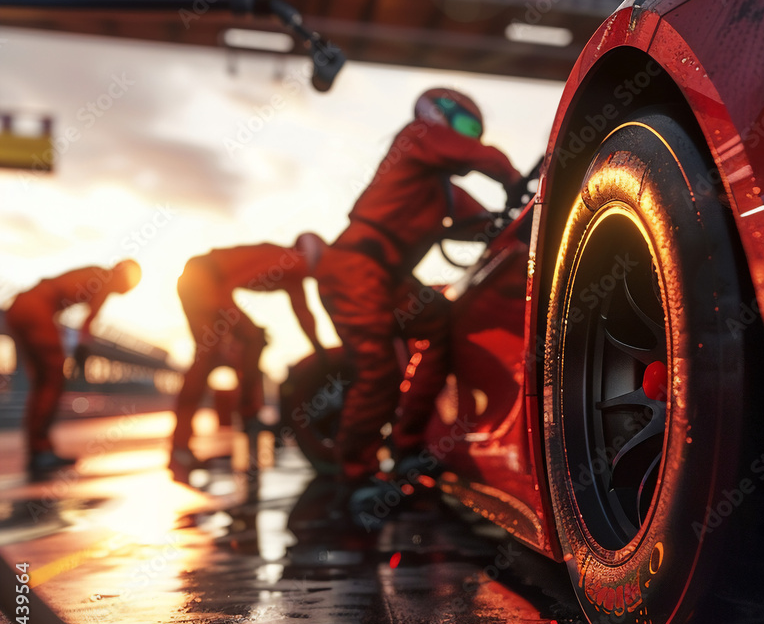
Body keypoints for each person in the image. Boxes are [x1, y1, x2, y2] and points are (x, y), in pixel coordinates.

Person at [315, 87, 522, 489]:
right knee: (377, 374)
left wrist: (515, 218)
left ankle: (408, 446)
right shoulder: (416, 136)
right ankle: (353, 478)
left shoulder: (443, 189)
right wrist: (513, 178)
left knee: (436, 321)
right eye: (464, 126)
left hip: (387, 278)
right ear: (438, 115)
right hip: (356, 267)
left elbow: (487, 225)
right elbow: (484, 159)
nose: (470, 137)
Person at [170, 234, 325, 482]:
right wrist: (236, 333)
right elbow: (227, 285)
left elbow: (303, 314)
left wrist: (321, 351)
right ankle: (245, 414)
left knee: (242, 343)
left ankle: (190, 442)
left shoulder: (293, 276)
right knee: (210, 355)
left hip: (203, 280)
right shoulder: (289, 260)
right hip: (201, 279)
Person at [6, 259, 142, 478]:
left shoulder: (96, 273)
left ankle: (39, 448)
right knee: (53, 377)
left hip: (20, 306)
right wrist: (82, 353)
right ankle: (40, 450)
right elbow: (88, 324)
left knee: (43, 381)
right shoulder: (106, 280)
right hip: (36, 307)